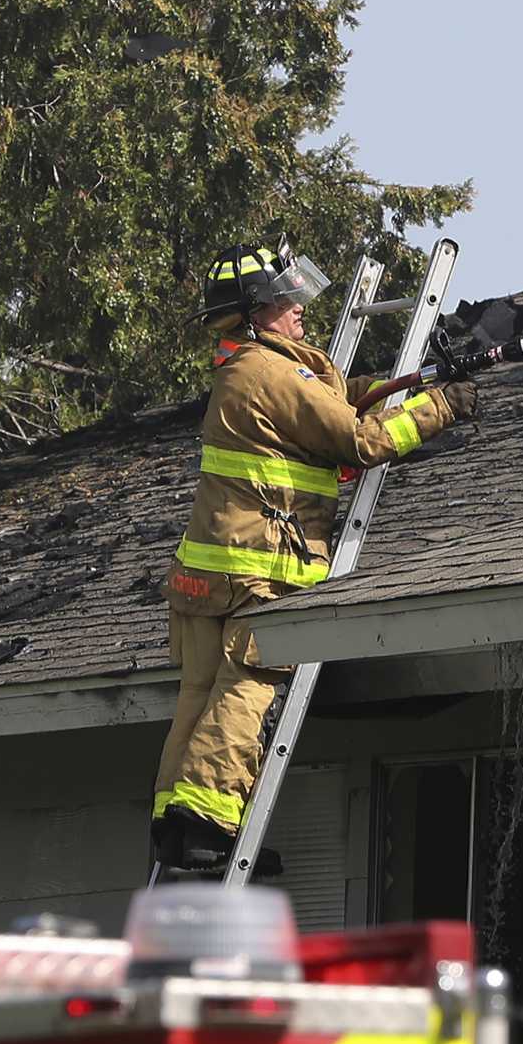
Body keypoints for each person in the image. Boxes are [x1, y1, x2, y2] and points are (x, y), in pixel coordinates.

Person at [149, 242, 479, 874]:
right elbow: (360, 437)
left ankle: (174, 828)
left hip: (203, 573)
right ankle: (206, 825)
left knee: (198, 695)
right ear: (254, 314)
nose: (299, 310)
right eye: (285, 301)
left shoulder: (244, 368)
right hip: (258, 568)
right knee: (250, 685)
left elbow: (326, 397)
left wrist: (405, 381)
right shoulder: (273, 374)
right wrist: (441, 407)